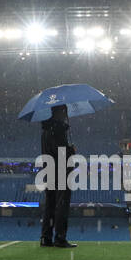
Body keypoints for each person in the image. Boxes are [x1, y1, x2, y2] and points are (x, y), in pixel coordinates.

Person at [39, 104, 75, 247]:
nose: (66, 115)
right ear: (61, 112)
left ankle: (45, 237)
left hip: (48, 170)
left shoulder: (45, 131)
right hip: (61, 171)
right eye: (65, 111)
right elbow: (61, 153)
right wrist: (71, 150)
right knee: (61, 204)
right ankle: (60, 238)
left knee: (50, 204)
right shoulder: (59, 129)